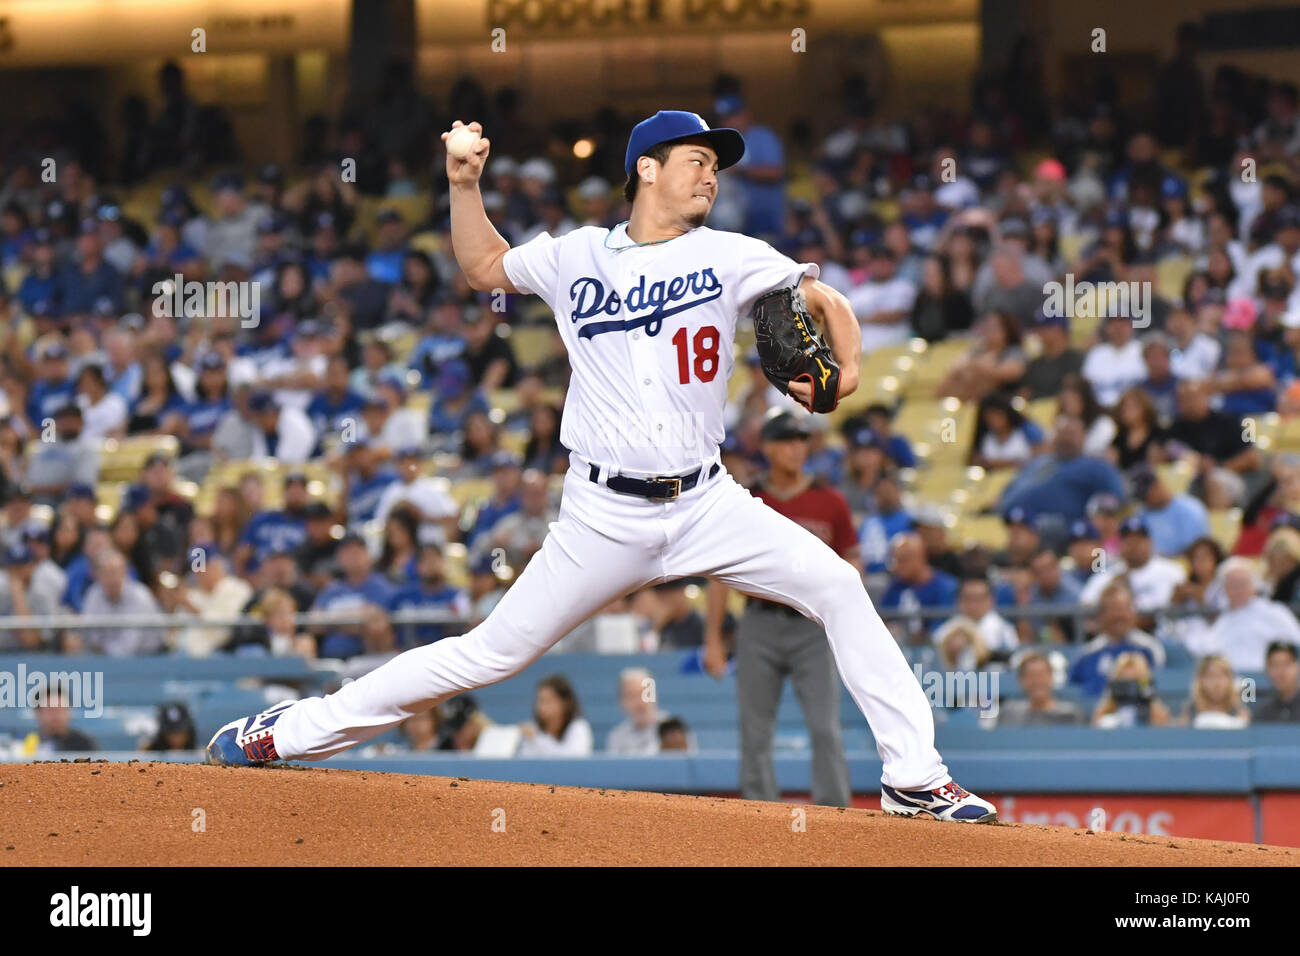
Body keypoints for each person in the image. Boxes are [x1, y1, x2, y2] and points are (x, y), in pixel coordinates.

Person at [207, 110, 995, 823]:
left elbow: (825, 301)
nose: (711, 174)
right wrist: (462, 182)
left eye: (716, 165)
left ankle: (914, 777)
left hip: (705, 502)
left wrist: (847, 369)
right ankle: (291, 731)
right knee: (490, 653)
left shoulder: (732, 255)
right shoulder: (577, 255)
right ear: (645, 169)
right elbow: (485, 269)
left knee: (839, 585)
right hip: (602, 515)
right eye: (696, 159)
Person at [704, 411, 856, 807]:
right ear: (767, 447)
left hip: (811, 625)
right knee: (755, 729)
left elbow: (852, 567)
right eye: (786, 440)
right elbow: (719, 574)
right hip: (759, 623)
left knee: (824, 728)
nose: (796, 448)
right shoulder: (748, 500)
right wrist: (713, 640)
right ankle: (760, 814)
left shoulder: (830, 500)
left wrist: (845, 621)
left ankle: (835, 812)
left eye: (802, 440)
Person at [1192, 558, 1300, 672]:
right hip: (1234, 684)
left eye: (1242, 583)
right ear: (1224, 589)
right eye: (1232, 584)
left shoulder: (1275, 613)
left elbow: (1296, 643)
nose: (1238, 589)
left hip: (1269, 682)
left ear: (1255, 585)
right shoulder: (1221, 621)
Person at [1069, 579, 1167, 696]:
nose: (1119, 615)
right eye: (1113, 609)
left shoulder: (1150, 649)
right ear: (1102, 614)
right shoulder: (1087, 654)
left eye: (1124, 609)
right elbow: (1072, 692)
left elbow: (1156, 689)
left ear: (1133, 612)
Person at [992, 651, 1084, 727]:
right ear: (1021, 680)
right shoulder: (1008, 714)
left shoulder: (1070, 715)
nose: (1037, 681)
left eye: (1041, 675)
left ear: (1051, 677)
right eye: (1031, 675)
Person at [517, 674, 593, 757]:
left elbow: (573, 759)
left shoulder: (579, 727)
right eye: (540, 700)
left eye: (548, 700)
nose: (542, 706)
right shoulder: (533, 729)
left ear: (565, 703)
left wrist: (537, 738)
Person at [1092, 652, 1172, 728]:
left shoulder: (1157, 713)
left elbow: (1162, 727)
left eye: (1135, 681)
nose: (1130, 688)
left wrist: (1149, 699)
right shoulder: (1104, 712)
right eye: (1124, 681)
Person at [605, 667, 667, 755]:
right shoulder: (617, 737)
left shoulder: (675, 730)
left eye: (646, 694)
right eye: (632, 696)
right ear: (622, 702)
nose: (640, 702)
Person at [1183, 654, 1250, 729]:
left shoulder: (1239, 711)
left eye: (1222, 676)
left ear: (1230, 680)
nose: (1217, 683)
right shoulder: (1190, 712)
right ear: (1201, 680)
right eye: (1211, 676)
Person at [1255, 641, 1300, 723]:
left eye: (1287, 664)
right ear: (1267, 670)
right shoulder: (1263, 713)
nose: (1281, 672)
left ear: (1297, 667)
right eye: (1275, 665)